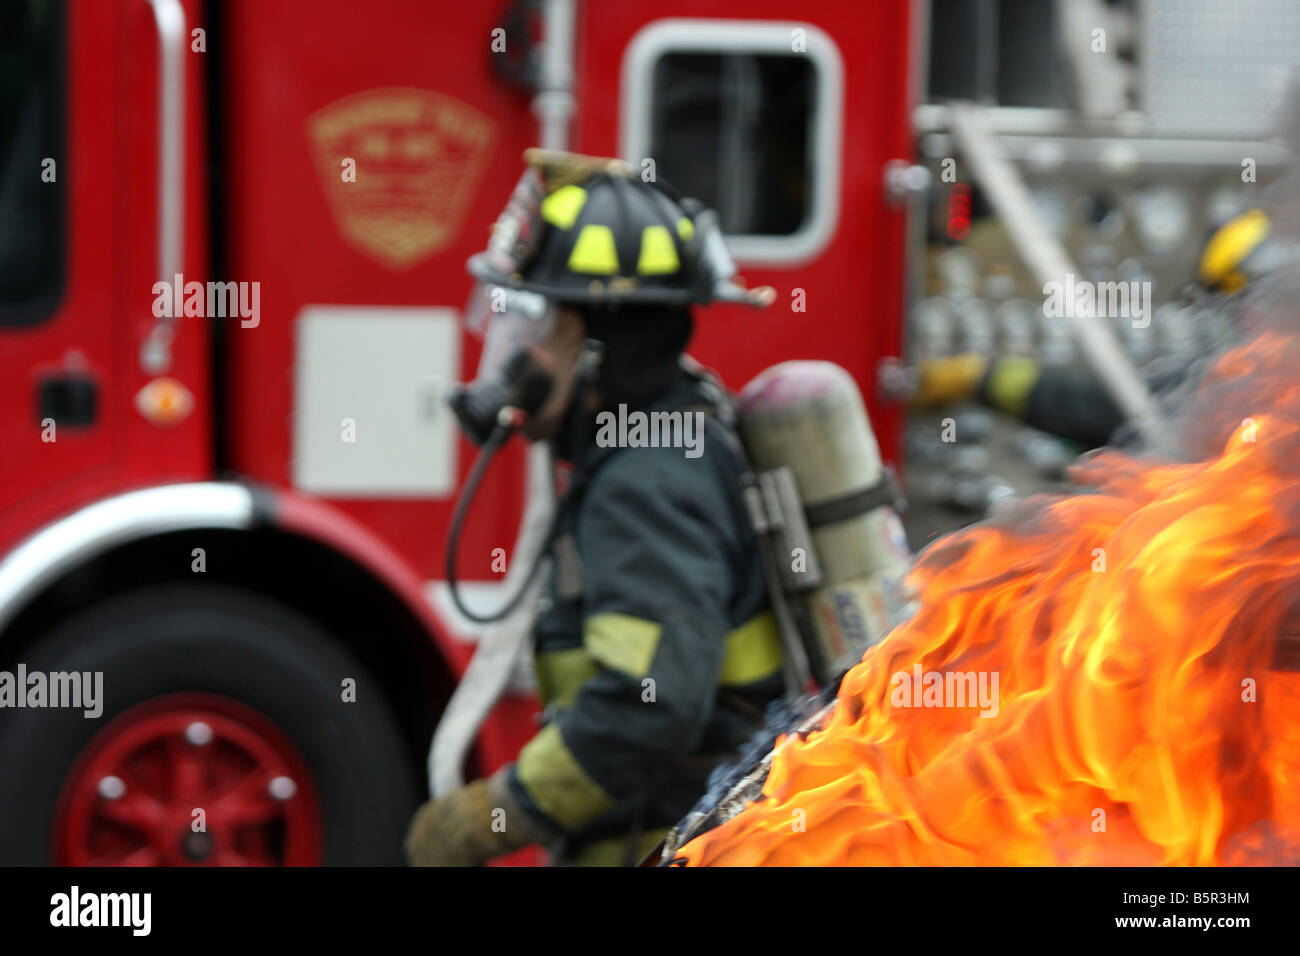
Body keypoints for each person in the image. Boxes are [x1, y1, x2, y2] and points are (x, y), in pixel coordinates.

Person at [405, 152, 784, 866]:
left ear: (597, 345)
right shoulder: (664, 436)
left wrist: (488, 818)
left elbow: (648, 707)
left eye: (530, 326)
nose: (508, 354)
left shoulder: (645, 482)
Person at [911, 209, 1285, 448]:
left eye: (1239, 304)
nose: (1236, 320)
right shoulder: (1249, 378)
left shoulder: (1258, 386)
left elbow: (1106, 409)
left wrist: (982, 377)